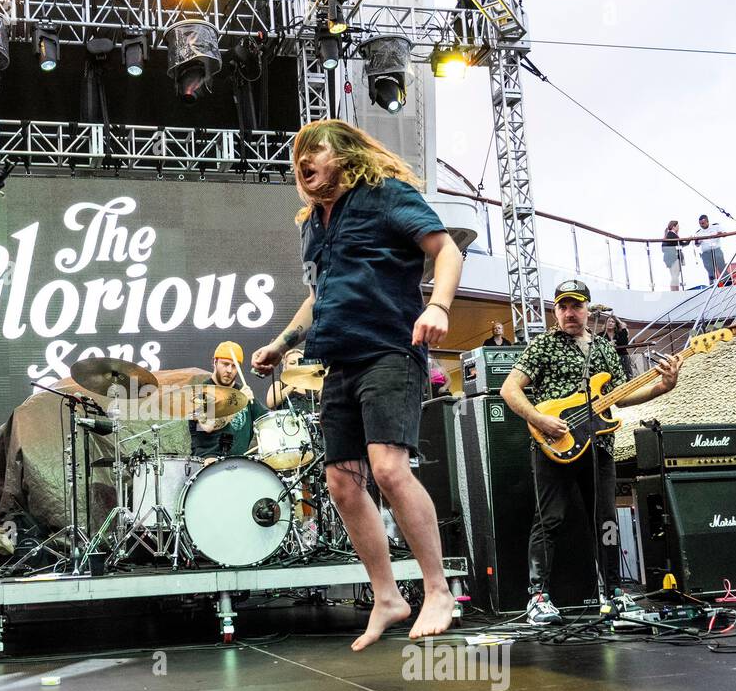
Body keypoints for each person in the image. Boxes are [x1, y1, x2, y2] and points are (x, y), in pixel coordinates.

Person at [252, 118, 464, 647]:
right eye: (297, 153)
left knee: (389, 469)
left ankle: (437, 590)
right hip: (340, 362)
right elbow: (318, 297)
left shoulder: (386, 195)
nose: (303, 159)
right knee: (343, 483)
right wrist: (281, 343)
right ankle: (388, 597)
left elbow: (446, 250)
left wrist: (438, 305)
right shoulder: (312, 224)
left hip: (391, 350)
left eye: (314, 149)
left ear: (344, 154)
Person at [500, 280, 681, 624]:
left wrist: (662, 387)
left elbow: (617, 396)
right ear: (555, 311)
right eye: (563, 307)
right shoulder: (542, 346)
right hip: (553, 443)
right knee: (548, 519)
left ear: (587, 309)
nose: (570, 313)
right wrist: (539, 418)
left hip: (598, 444)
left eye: (576, 306)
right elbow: (510, 389)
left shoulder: (603, 348)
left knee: (607, 520)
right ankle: (538, 597)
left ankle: (613, 592)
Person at [189, 341, 267, 459]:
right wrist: (237, 401)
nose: (229, 370)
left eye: (234, 366)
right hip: (208, 460)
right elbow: (208, 426)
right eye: (225, 364)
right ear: (214, 362)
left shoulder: (243, 391)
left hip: (240, 461)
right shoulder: (203, 391)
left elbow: (266, 419)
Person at [695, 214, 726, 285]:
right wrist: (697, 240)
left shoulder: (716, 227)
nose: (701, 225)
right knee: (710, 270)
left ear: (707, 222)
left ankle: (728, 283)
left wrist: (720, 234)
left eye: (703, 223)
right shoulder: (698, 232)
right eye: (700, 224)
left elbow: (724, 234)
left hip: (716, 250)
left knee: (721, 266)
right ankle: (712, 285)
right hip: (706, 253)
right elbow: (696, 245)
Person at [602, 314, 632, 378]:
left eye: (613, 322)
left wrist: (624, 328)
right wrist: (609, 344)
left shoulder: (620, 333)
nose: (610, 323)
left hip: (622, 358)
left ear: (616, 324)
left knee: (627, 377)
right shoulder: (601, 335)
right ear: (605, 323)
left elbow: (624, 344)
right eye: (609, 321)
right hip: (608, 359)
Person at [662, 220, 685, 291]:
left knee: (674, 275)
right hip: (673, 257)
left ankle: (675, 290)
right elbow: (682, 243)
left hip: (670, 258)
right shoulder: (672, 234)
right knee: (675, 275)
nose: (679, 228)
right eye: (677, 226)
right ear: (674, 227)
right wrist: (690, 240)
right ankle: (674, 291)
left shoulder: (668, 234)